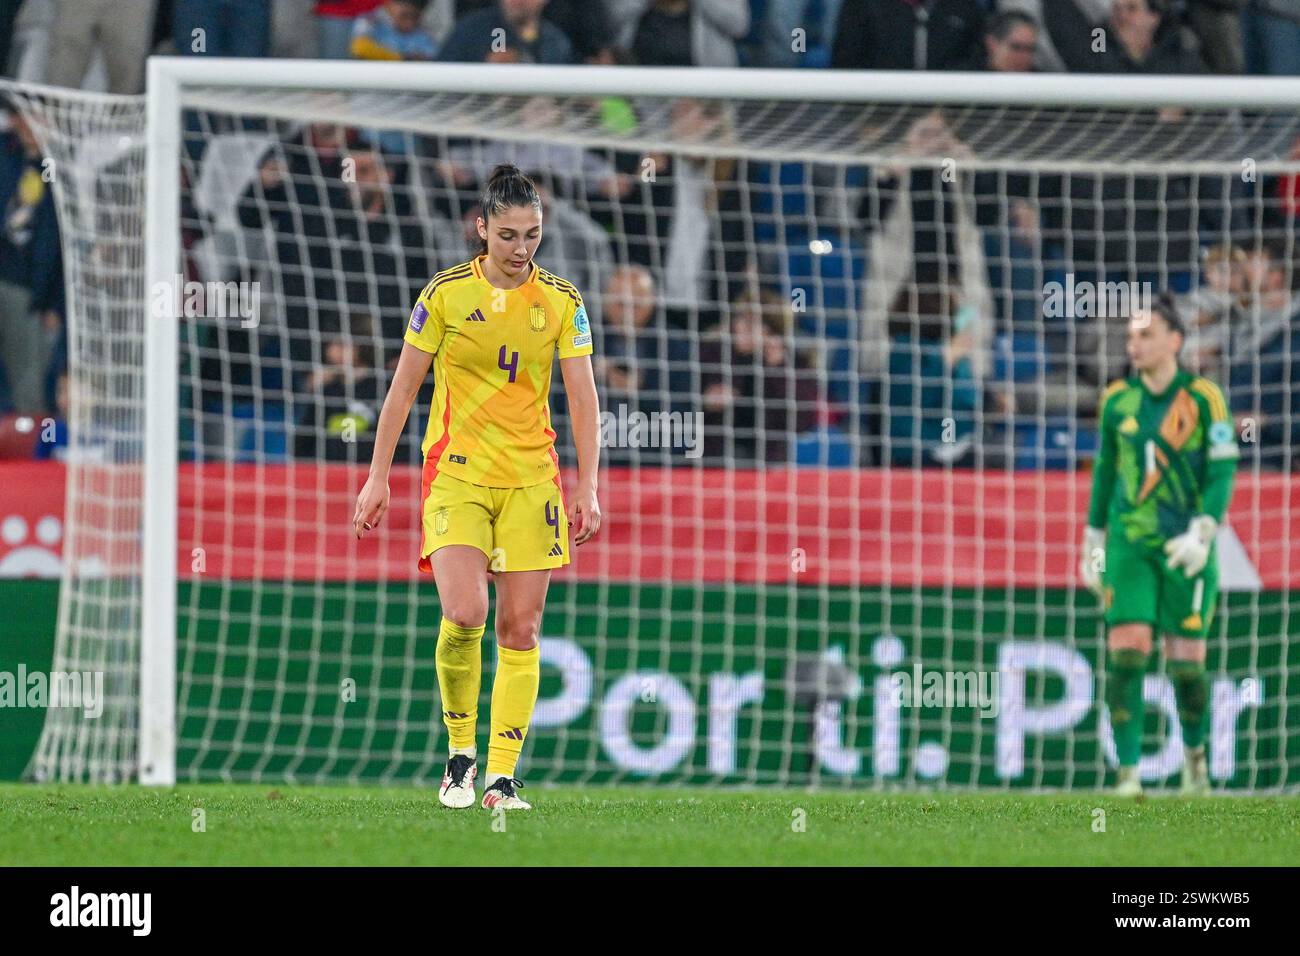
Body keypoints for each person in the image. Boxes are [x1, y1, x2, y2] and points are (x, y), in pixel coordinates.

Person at [352, 164, 601, 812]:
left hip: (531, 481)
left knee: (522, 628)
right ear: (481, 229)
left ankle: (501, 779)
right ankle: (459, 755)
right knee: (466, 613)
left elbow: (582, 398)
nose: (522, 249)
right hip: (457, 472)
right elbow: (404, 388)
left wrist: (587, 485)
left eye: (533, 235)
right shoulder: (444, 295)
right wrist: (378, 475)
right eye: (510, 235)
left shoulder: (562, 303)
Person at [1079, 295, 1238, 798]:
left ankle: (1195, 760)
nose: (1134, 344)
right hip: (1128, 545)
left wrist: (1205, 530)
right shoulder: (1116, 401)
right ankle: (1127, 774)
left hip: (1186, 544)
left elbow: (1222, 468)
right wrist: (1093, 539)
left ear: (1175, 340)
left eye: (1145, 334)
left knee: (1187, 661)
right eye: (1130, 336)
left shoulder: (1205, 398)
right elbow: (1105, 471)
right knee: (1127, 652)